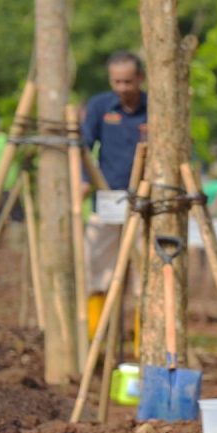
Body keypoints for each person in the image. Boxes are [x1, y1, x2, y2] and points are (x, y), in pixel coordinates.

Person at [80, 51, 148, 338]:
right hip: (107, 201)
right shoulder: (99, 106)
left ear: (140, 79)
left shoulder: (154, 107)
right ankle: (97, 338)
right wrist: (83, 181)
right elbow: (82, 147)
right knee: (97, 270)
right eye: (116, 82)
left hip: (146, 204)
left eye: (128, 82)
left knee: (145, 278)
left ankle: (143, 345)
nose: (122, 88)